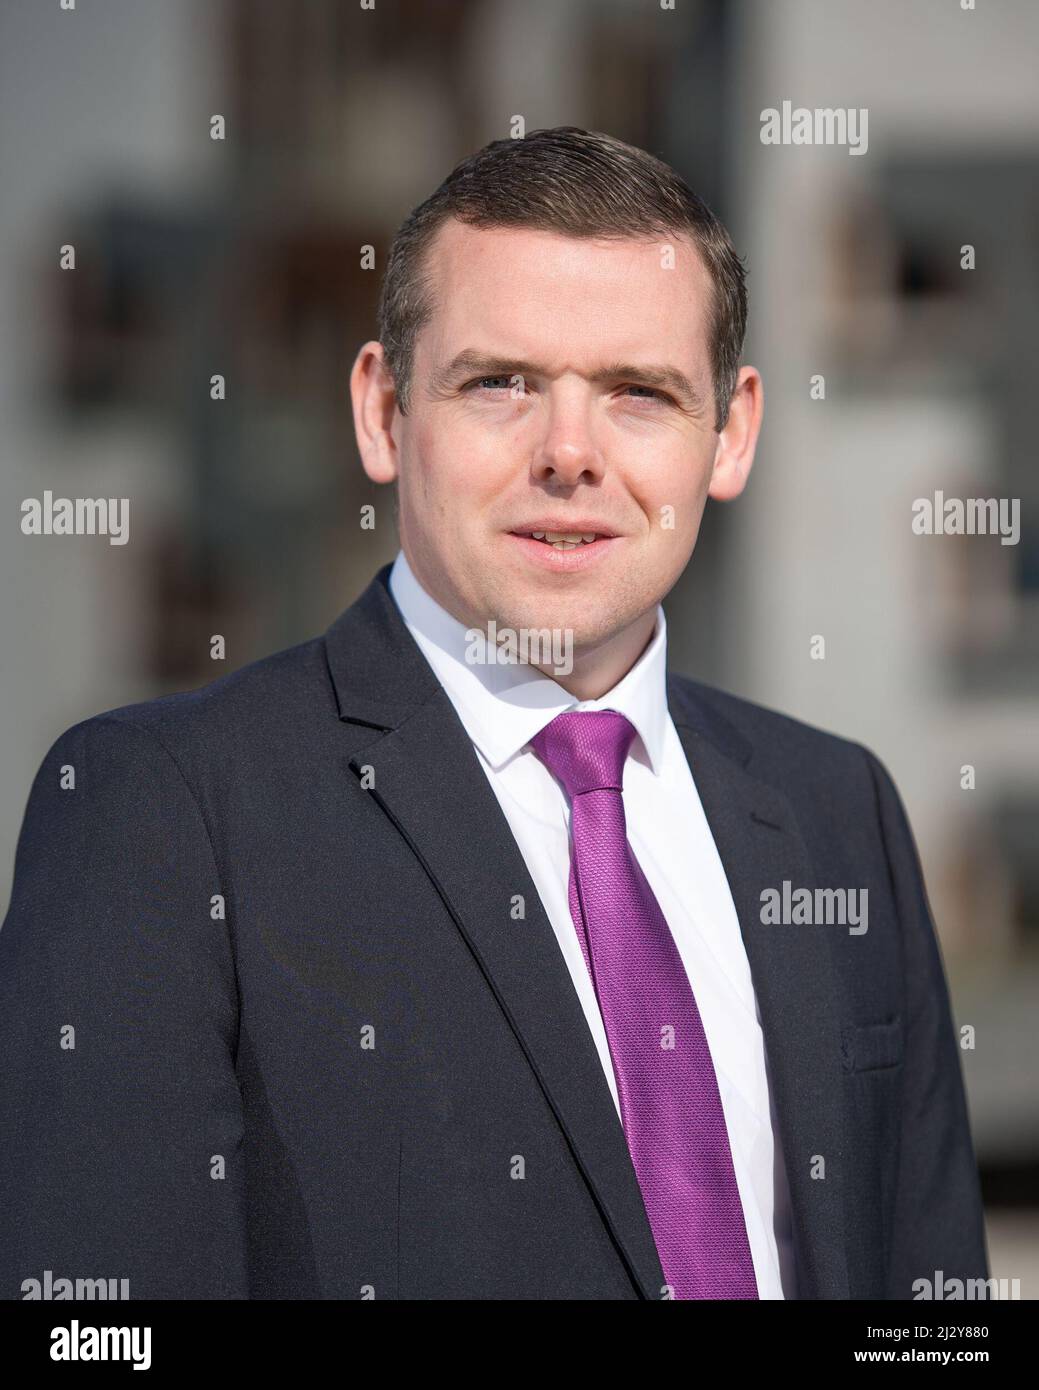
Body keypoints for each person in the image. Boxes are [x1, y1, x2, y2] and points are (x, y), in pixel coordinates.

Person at [0, 127, 988, 1300]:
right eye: (500, 383)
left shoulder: (837, 812)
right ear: (381, 411)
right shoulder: (162, 815)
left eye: (638, 392)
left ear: (729, 433)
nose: (568, 454)